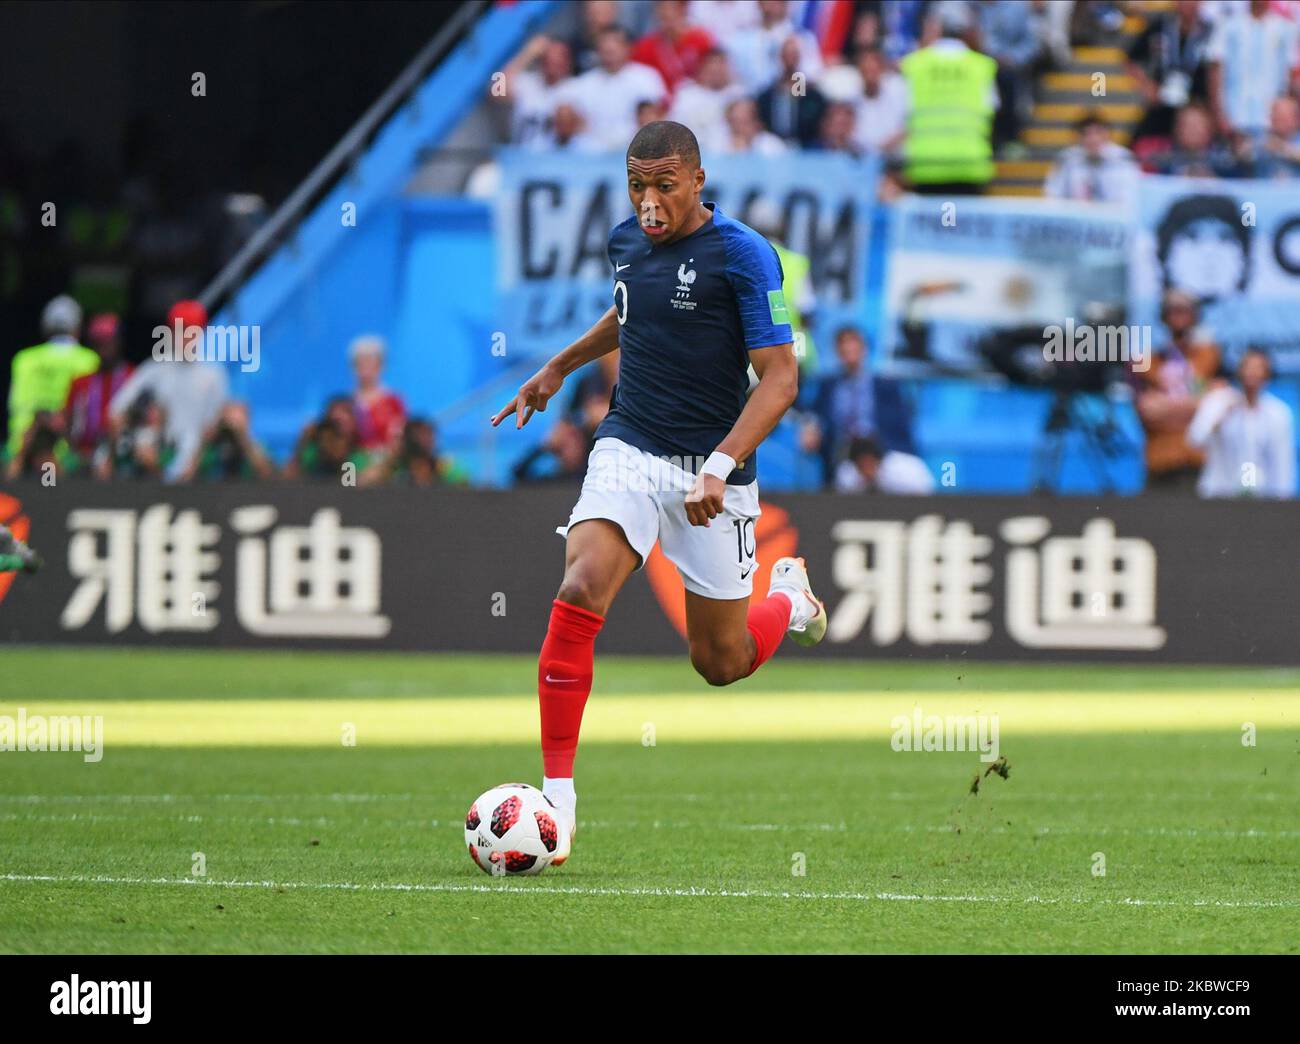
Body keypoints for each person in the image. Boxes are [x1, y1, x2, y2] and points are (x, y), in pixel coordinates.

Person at [491, 120, 825, 862]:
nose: (649, 203)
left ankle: (791, 600)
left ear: (698, 182)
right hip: (631, 446)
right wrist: (561, 366)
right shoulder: (625, 242)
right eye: (637, 186)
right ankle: (559, 804)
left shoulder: (743, 255)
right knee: (581, 586)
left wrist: (721, 460)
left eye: (664, 186)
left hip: (717, 470)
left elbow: (781, 378)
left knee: (721, 663)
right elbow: (631, 311)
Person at [108, 299, 228, 482]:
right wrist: (133, 446)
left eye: (191, 330)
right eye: (180, 330)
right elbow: (115, 413)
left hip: (197, 464)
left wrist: (194, 461)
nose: (185, 336)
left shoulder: (213, 374)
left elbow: (213, 426)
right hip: (156, 458)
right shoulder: (154, 369)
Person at [799, 326, 915, 488]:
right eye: (843, 345)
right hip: (847, 457)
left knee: (915, 478)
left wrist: (877, 453)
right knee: (846, 480)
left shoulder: (886, 386)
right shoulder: (829, 386)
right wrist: (811, 427)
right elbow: (814, 415)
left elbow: (901, 423)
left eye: (853, 344)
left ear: (864, 348)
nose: (848, 350)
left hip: (884, 454)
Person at [899, 9, 999, 194]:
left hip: (926, 166)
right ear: (966, 33)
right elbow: (991, 110)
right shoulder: (982, 66)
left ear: (936, 30)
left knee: (937, 223)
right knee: (956, 223)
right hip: (969, 165)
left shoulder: (914, 65)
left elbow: (902, 114)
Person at [1132, 289, 1221, 492]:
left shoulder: (1212, 356)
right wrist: (1195, 403)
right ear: (1163, 315)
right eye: (1172, 310)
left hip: (1200, 464)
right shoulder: (1145, 361)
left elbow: (1218, 405)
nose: (1178, 316)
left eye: (1184, 310)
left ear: (1195, 315)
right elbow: (1146, 411)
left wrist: (1166, 406)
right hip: (1159, 462)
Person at [1187, 347, 1296, 498]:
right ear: (1239, 371)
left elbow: (1282, 462)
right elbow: (1195, 439)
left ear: (1267, 374)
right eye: (1248, 367)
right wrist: (1220, 417)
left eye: (1258, 368)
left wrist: (1282, 501)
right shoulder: (1218, 401)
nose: (1252, 373)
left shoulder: (1278, 413)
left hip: (1261, 498)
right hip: (1218, 494)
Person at [7, 294, 98, 459]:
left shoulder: (24, 359)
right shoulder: (90, 360)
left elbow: (12, 404)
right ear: (77, 327)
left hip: (19, 449)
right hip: (66, 455)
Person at [562, 26, 669, 152]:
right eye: (604, 46)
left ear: (628, 48)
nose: (609, 49)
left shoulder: (646, 78)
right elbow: (575, 126)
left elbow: (655, 121)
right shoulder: (584, 83)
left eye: (614, 45)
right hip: (591, 152)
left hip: (633, 152)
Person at [64, 312, 133, 463]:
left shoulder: (133, 378)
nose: (103, 347)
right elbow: (67, 423)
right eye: (98, 342)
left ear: (119, 341)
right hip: (83, 456)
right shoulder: (80, 382)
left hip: (122, 457)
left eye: (108, 341)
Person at [1044, 112, 1140, 205]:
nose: (1093, 139)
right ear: (1078, 137)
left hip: (1114, 217)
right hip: (1075, 216)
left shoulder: (1123, 159)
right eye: (1086, 134)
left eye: (1098, 132)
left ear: (1108, 134)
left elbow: (1130, 198)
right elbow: (1053, 195)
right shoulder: (1067, 159)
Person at [630, 0, 717, 93]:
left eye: (671, 9)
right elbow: (638, 77)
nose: (666, 13)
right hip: (660, 102)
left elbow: (713, 75)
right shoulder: (647, 45)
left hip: (695, 99)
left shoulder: (701, 40)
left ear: (683, 9)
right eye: (661, 10)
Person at [349, 334, 407, 454]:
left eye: (370, 362)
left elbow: (399, 437)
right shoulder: (346, 404)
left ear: (381, 365)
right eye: (360, 362)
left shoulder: (393, 402)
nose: (365, 368)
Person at [834, 435, 935, 494]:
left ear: (878, 460)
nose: (867, 469)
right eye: (862, 466)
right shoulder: (847, 474)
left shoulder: (902, 469)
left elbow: (924, 490)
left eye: (869, 463)